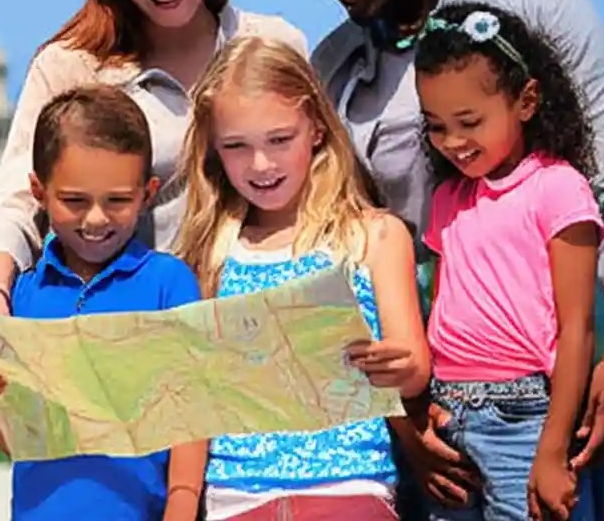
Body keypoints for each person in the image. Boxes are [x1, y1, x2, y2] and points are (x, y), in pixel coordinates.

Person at [283, 0, 604, 520]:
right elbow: (350, 257)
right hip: (437, 395)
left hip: (571, 371)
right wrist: (405, 419)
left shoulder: (544, 5)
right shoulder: (332, 70)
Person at [0, 0, 307, 317]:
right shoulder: (70, 64)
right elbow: (18, 200)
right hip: (125, 335)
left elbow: (325, 179)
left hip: (253, 329)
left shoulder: (272, 45)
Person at [174, 35, 430, 520]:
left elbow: (415, 370)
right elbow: (196, 397)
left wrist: (392, 366)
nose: (261, 164)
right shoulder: (211, 254)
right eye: (237, 147)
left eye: (279, 139)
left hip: (350, 490)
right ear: (213, 148)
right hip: (234, 498)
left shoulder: (373, 236)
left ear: (315, 125)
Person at [0, 85, 208, 520]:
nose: (95, 219)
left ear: (148, 193)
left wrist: (182, 505)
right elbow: (24, 442)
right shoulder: (21, 297)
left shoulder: (169, 284)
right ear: (38, 190)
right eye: (74, 201)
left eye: (118, 201)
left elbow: (193, 411)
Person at [416, 2, 604, 520]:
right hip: (447, 414)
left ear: (526, 101)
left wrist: (551, 448)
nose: (453, 141)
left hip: (523, 418)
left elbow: (577, 329)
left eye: (469, 121)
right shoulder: (447, 199)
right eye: (435, 125)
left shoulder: (559, 188)